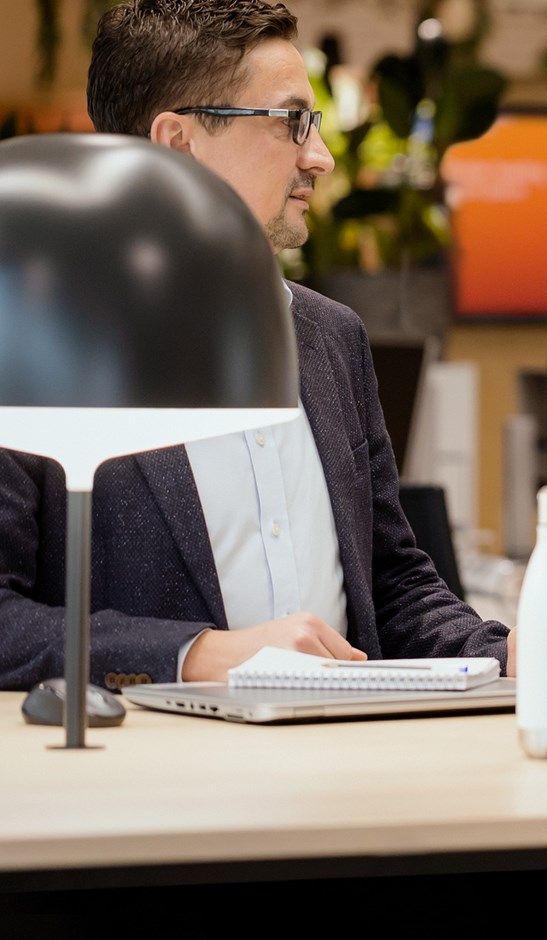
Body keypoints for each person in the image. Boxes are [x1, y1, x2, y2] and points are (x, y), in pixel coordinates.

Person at [0, 0, 513, 691]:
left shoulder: (331, 337)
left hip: (343, 776)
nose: (321, 157)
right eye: (291, 121)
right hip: (145, 777)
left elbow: (390, 584)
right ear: (177, 143)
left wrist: (503, 655)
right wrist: (201, 654)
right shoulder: (35, 346)